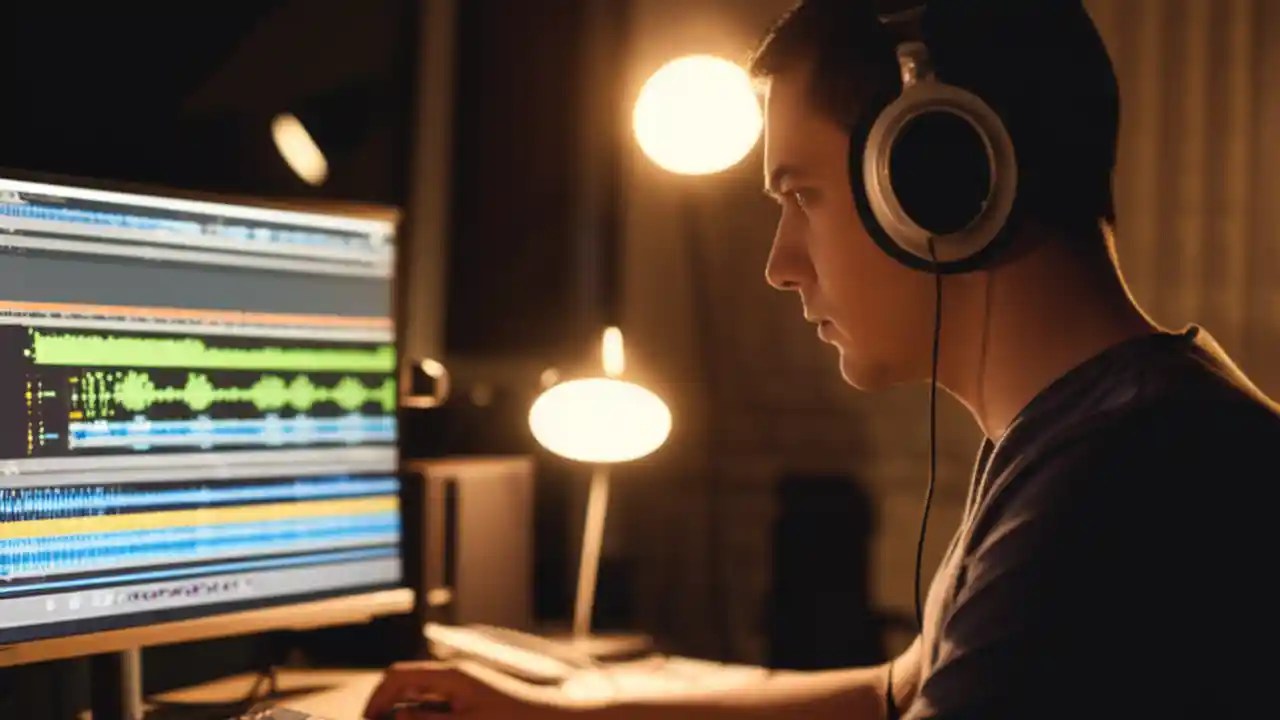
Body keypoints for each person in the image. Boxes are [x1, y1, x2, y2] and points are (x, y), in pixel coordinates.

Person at [364, 0, 1280, 717]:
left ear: (941, 181)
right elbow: (893, 693)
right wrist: (564, 716)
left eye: (800, 194)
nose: (779, 265)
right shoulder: (1106, 427)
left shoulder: (1125, 483)